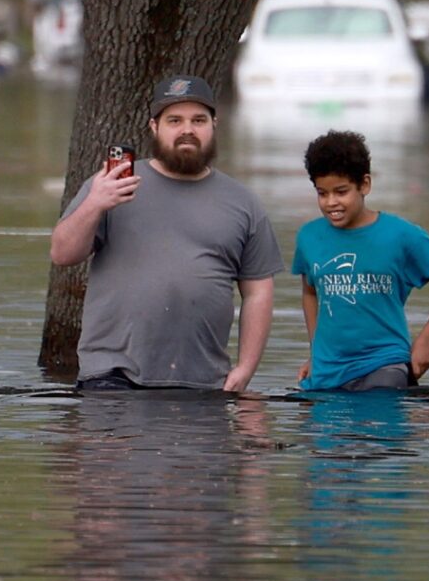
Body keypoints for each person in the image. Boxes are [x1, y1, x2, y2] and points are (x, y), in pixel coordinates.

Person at [50, 75, 282, 392]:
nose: (187, 129)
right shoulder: (112, 185)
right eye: (175, 120)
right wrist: (95, 203)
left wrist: (245, 369)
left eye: (198, 120)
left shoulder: (243, 203)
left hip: (203, 381)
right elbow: (63, 254)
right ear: (154, 127)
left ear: (214, 125)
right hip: (113, 377)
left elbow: (258, 293)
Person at [292, 130, 429, 391]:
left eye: (341, 191)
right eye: (322, 193)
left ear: (365, 185)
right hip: (328, 370)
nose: (331, 203)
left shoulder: (401, 235)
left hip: (384, 365)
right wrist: (315, 352)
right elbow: (309, 293)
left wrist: (427, 340)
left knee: (378, 427)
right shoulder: (309, 237)